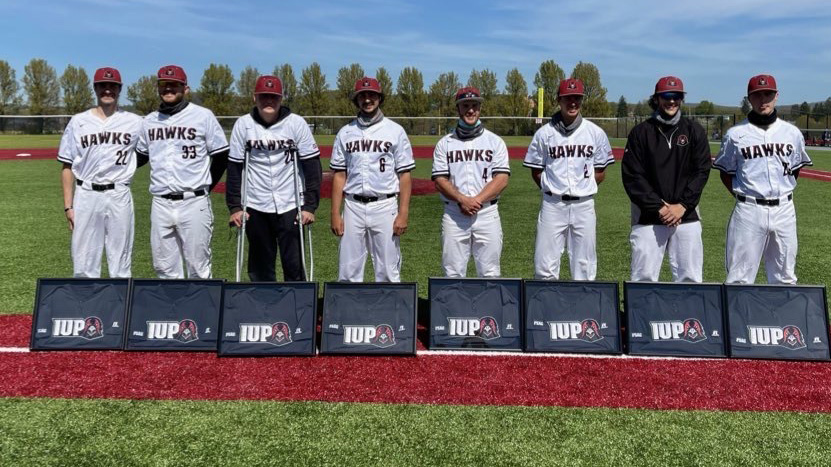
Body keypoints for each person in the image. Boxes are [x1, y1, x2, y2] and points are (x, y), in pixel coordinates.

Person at [713, 74, 812, 284]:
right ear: (749, 98)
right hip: (748, 211)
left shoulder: (792, 133)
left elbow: (795, 170)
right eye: (757, 95)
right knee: (739, 278)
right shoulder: (735, 134)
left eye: (768, 94)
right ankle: (738, 317)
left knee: (785, 277)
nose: (763, 100)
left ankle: (782, 318)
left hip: (784, 209)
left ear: (776, 96)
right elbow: (725, 173)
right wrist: (746, 195)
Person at [135, 65, 229, 279]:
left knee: (198, 268)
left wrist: (205, 187)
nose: (168, 88)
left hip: (193, 202)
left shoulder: (203, 116)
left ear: (185, 88)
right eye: (163, 84)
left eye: (174, 84)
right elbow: (141, 156)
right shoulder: (149, 121)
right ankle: (172, 312)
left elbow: (221, 156)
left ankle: (201, 312)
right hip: (160, 203)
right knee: (164, 268)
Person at [226, 75, 322, 281]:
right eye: (264, 97)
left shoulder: (296, 123)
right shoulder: (243, 125)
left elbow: (312, 165)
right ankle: (263, 308)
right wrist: (234, 206)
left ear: (281, 98)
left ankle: (297, 307)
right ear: (255, 98)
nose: (269, 101)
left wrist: (310, 206)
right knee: (260, 266)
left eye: (273, 97)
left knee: (295, 263)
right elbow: (234, 167)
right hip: (256, 204)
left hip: (290, 203)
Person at [622, 76, 712, 283]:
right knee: (643, 279)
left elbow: (701, 172)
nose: (671, 101)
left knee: (689, 278)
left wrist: (682, 205)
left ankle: (688, 317)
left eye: (676, 96)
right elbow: (633, 176)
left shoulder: (694, 130)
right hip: (647, 217)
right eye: (666, 96)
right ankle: (642, 317)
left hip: (686, 216)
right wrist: (660, 208)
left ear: (681, 98)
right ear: (657, 99)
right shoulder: (640, 133)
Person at [523, 78, 615, 280]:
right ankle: (544, 311)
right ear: (559, 100)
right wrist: (554, 188)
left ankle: (584, 310)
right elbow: (536, 172)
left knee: (585, 265)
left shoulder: (595, 133)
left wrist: (582, 186)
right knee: (545, 265)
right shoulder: (544, 134)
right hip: (552, 205)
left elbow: (600, 171)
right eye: (567, 98)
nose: (572, 102)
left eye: (577, 98)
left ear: (581, 100)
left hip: (584, 205)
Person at [58, 67, 142, 278]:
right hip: (86, 193)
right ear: (95, 88)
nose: (107, 90)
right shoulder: (78, 121)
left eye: (112, 86)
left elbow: (151, 151)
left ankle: (120, 308)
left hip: (119, 193)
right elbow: (67, 166)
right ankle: (88, 308)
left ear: (119, 89)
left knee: (121, 262)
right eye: (102, 86)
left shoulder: (135, 122)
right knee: (84, 263)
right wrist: (68, 206)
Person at [330, 77, 415, 282]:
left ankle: (388, 313)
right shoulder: (345, 132)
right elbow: (339, 175)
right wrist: (334, 213)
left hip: (384, 205)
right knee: (348, 271)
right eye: (362, 96)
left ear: (379, 98)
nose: (367, 100)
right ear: (356, 100)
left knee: (387, 269)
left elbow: (404, 176)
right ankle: (349, 313)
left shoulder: (395, 131)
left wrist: (403, 213)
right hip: (353, 206)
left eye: (372, 95)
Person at [431, 87, 510, 278]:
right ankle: (456, 309)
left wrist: (476, 200)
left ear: (480, 108)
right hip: (454, 213)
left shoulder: (495, 141)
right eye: (465, 105)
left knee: (490, 272)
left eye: (474, 105)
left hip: (487, 212)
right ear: (458, 109)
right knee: (452, 272)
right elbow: (440, 180)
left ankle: (488, 309)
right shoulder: (445, 143)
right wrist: (462, 199)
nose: (470, 110)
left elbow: (502, 179)